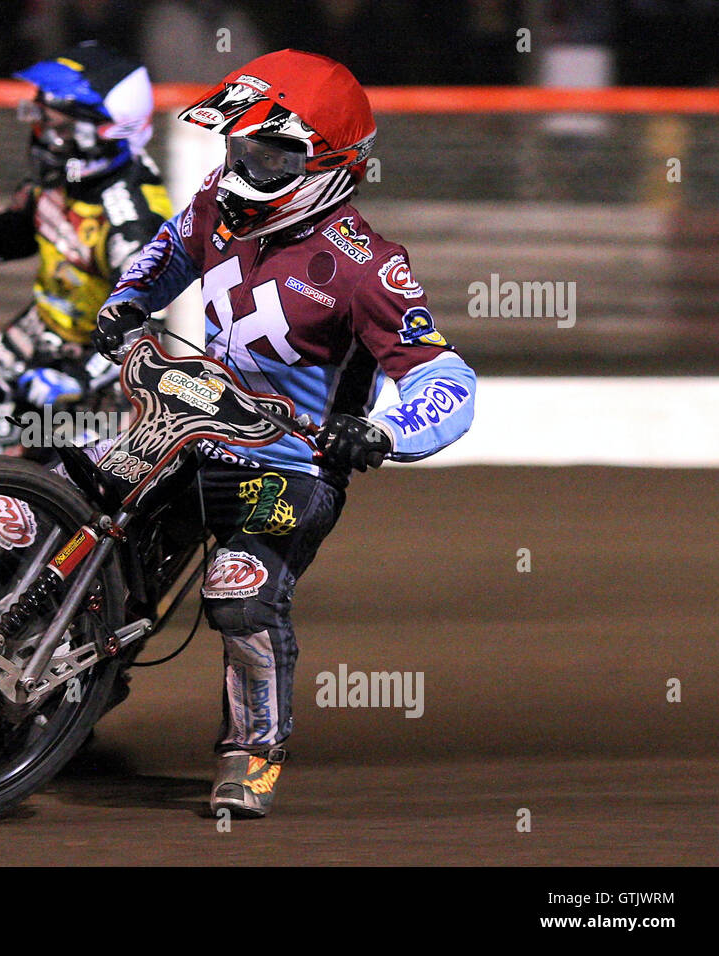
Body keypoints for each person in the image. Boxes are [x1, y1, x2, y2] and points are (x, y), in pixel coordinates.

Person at [91, 49, 477, 817]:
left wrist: (380, 433)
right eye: (240, 144)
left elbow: (448, 381)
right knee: (76, 513)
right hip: (193, 425)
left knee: (238, 590)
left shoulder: (371, 267)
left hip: (290, 462)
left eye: (271, 151)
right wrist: (128, 299)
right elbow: (170, 250)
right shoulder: (216, 202)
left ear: (328, 166)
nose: (244, 163)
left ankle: (252, 752)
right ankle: (13, 683)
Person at [0, 40, 173, 411]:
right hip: (37, 331)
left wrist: (77, 380)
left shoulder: (133, 220)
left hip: (95, 364)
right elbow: (24, 228)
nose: (45, 136)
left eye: (60, 127)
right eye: (42, 121)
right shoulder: (61, 176)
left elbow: (140, 326)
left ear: (106, 133)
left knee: (28, 457)